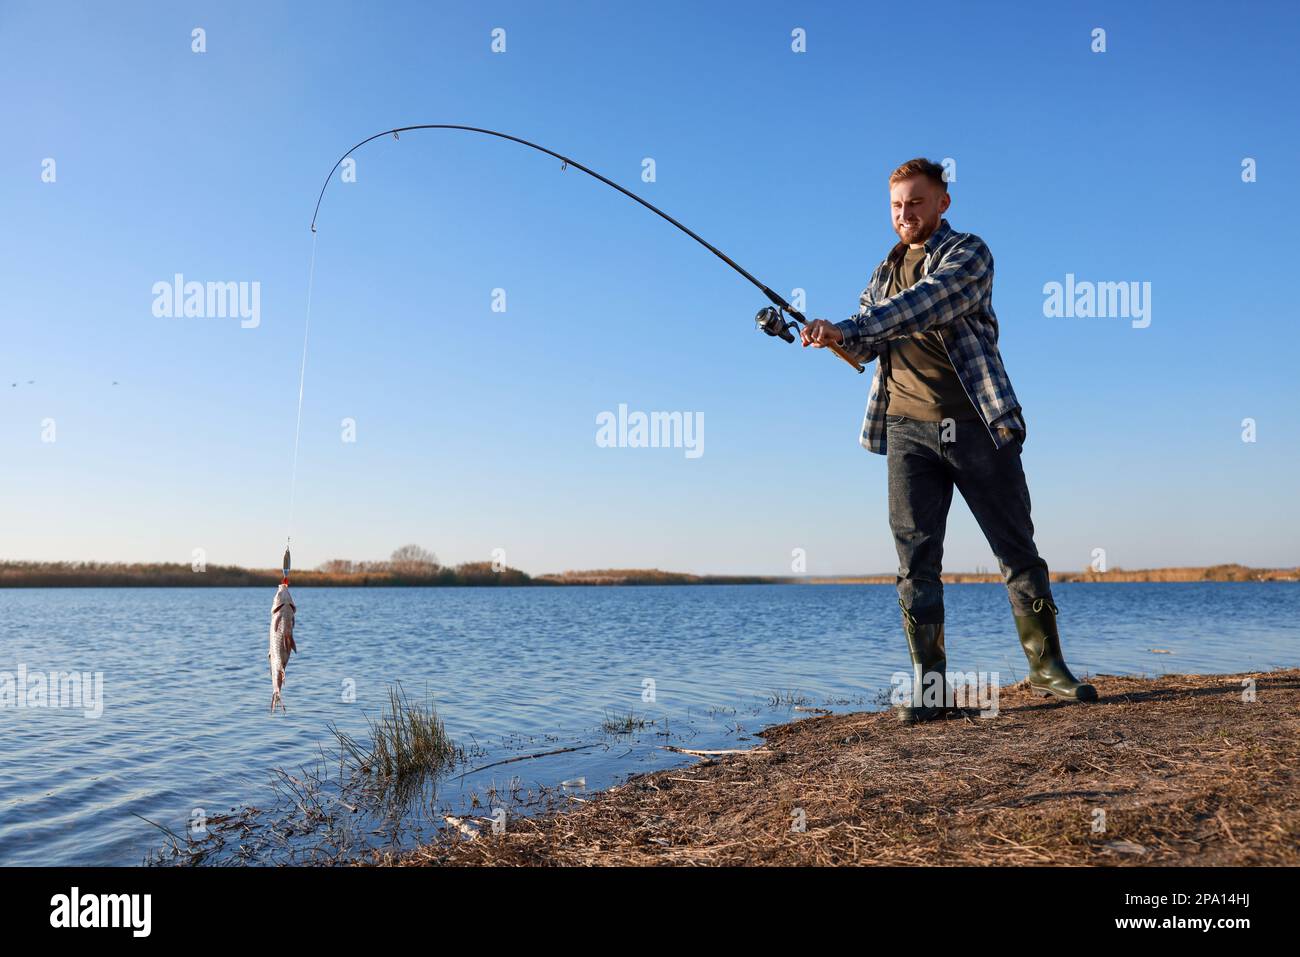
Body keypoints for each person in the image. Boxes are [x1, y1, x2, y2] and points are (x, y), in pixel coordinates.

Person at [800, 157, 1096, 723]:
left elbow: (928, 303)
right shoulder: (882, 273)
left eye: (915, 202)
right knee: (915, 560)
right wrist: (829, 335)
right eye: (895, 206)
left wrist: (855, 326)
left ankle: (1046, 667)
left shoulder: (970, 254)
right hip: (907, 429)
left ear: (942, 202)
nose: (904, 214)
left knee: (1015, 547)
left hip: (978, 422)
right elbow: (864, 346)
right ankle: (931, 691)